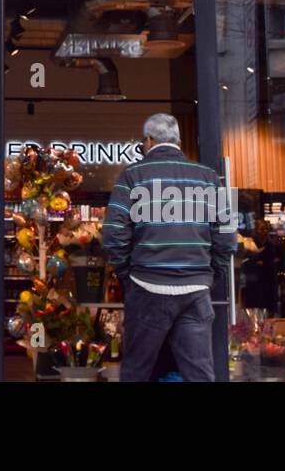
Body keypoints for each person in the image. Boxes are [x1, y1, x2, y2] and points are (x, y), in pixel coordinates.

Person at [103, 113, 236, 382]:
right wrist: (209, 276)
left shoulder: (132, 176)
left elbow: (113, 234)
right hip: (196, 290)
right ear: (179, 140)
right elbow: (227, 238)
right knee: (200, 373)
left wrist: (128, 276)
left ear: (149, 141)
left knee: (136, 370)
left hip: (147, 286)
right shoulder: (209, 177)